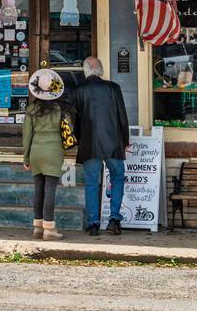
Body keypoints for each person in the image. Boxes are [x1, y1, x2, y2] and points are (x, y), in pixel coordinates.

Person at [67, 56, 130, 236]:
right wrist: (125, 140)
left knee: (92, 184)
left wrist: (79, 139)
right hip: (113, 143)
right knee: (118, 178)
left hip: (90, 144)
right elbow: (122, 118)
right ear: (100, 70)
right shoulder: (113, 88)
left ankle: (93, 223)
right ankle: (114, 220)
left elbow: (74, 121)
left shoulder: (78, 91)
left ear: (86, 70)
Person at [22, 68, 70, 241]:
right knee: (50, 189)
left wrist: (26, 157)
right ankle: (49, 228)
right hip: (54, 151)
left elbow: (27, 136)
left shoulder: (31, 109)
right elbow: (68, 130)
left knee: (38, 190)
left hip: (36, 151)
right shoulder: (60, 109)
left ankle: (37, 227)